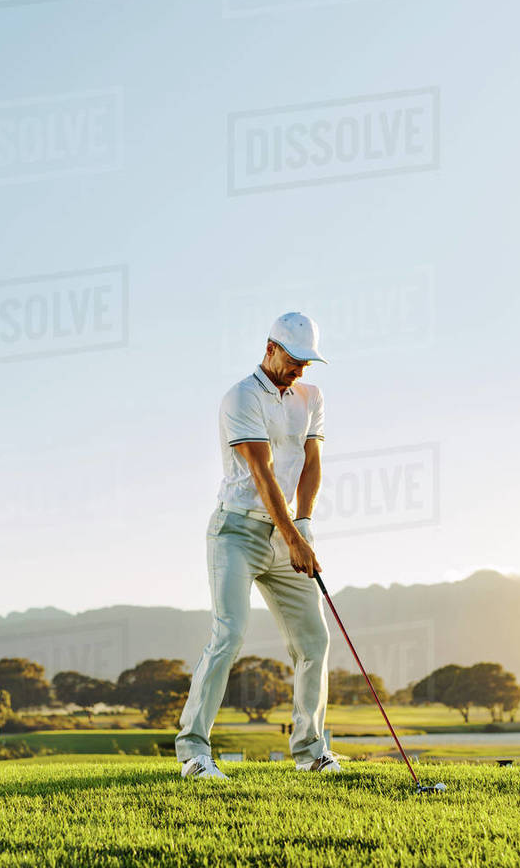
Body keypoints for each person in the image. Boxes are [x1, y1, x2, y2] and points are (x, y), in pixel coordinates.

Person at [176, 312, 339, 780]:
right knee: (228, 635)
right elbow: (262, 473)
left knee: (314, 640)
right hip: (236, 532)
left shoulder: (311, 396)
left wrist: (303, 525)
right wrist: (294, 537)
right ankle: (194, 753)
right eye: (294, 359)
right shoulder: (241, 397)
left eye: (308, 362)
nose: (300, 370)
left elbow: (311, 462)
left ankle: (311, 751)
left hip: (286, 532)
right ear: (271, 348)